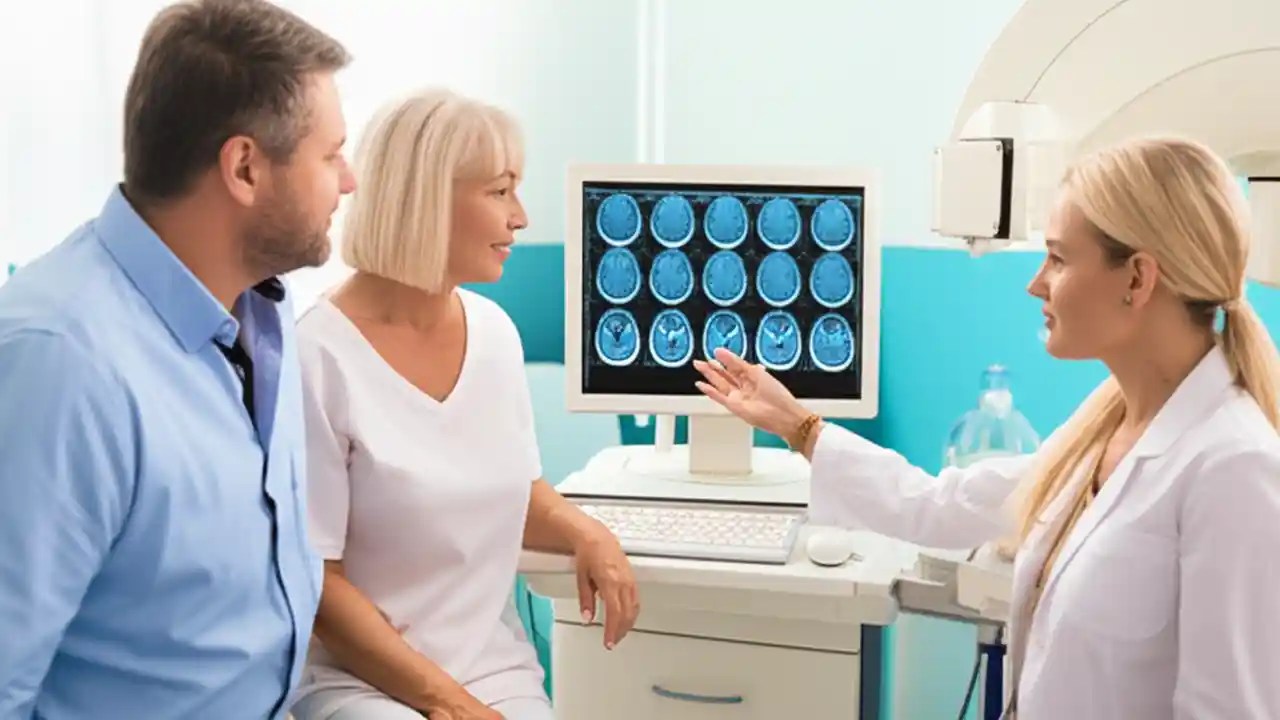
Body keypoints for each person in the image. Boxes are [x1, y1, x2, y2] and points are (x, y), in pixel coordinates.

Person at [694, 135, 1280, 719]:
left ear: (1137, 279)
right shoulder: (1108, 428)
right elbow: (944, 505)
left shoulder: (1233, 467)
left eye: (1058, 257)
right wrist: (799, 426)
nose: (1036, 284)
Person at [0, 1, 355, 718]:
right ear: (245, 168)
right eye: (331, 153)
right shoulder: (60, 367)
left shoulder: (264, 311)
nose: (348, 180)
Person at [289, 88, 640, 720]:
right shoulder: (318, 356)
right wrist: (446, 703)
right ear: (427, 199)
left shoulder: (494, 334)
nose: (521, 217)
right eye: (500, 191)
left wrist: (587, 533)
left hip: (491, 673)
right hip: (364, 684)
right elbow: (319, 584)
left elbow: (516, 493)